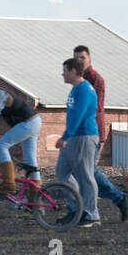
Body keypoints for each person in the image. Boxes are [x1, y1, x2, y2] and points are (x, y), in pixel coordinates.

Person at [73, 43, 128, 223]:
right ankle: (116, 200)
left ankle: (115, 201)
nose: (79, 61)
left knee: (88, 171)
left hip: (93, 131)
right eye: (76, 58)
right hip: (84, 132)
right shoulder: (80, 79)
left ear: (89, 59)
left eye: (82, 58)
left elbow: (91, 108)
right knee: (86, 171)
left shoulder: (94, 79)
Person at [0, 62, 42, 196]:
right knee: (30, 161)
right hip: (31, 122)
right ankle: (35, 200)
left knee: (1, 145)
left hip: (29, 122)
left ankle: (9, 183)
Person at [55, 56, 101, 227]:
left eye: (65, 70)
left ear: (73, 71)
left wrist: (65, 137)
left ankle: (91, 214)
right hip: (74, 137)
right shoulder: (75, 89)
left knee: (85, 176)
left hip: (84, 136)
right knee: (62, 172)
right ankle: (76, 210)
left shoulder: (84, 90)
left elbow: (79, 116)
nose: (62, 74)